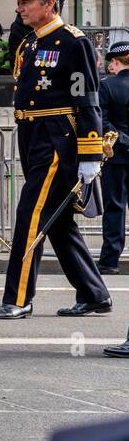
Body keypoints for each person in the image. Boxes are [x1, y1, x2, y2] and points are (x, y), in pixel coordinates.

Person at [0, 0, 111, 319]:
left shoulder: (73, 42)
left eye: (27, 1)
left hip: (59, 138)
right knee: (57, 222)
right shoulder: (30, 42)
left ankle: (18, 298)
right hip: (32, 133)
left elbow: (87, 99)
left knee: (30, 215)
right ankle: (94, 294)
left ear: (49, 4)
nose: (20, 7)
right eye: (19, 1)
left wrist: (89, 151)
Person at [98, 40, 129, 276]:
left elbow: (102, 121)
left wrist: (123, 140)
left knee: (114, 207)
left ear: (115, 62)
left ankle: (110, 260)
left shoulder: (106, 86)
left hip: (115, 154)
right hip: (118, 153)